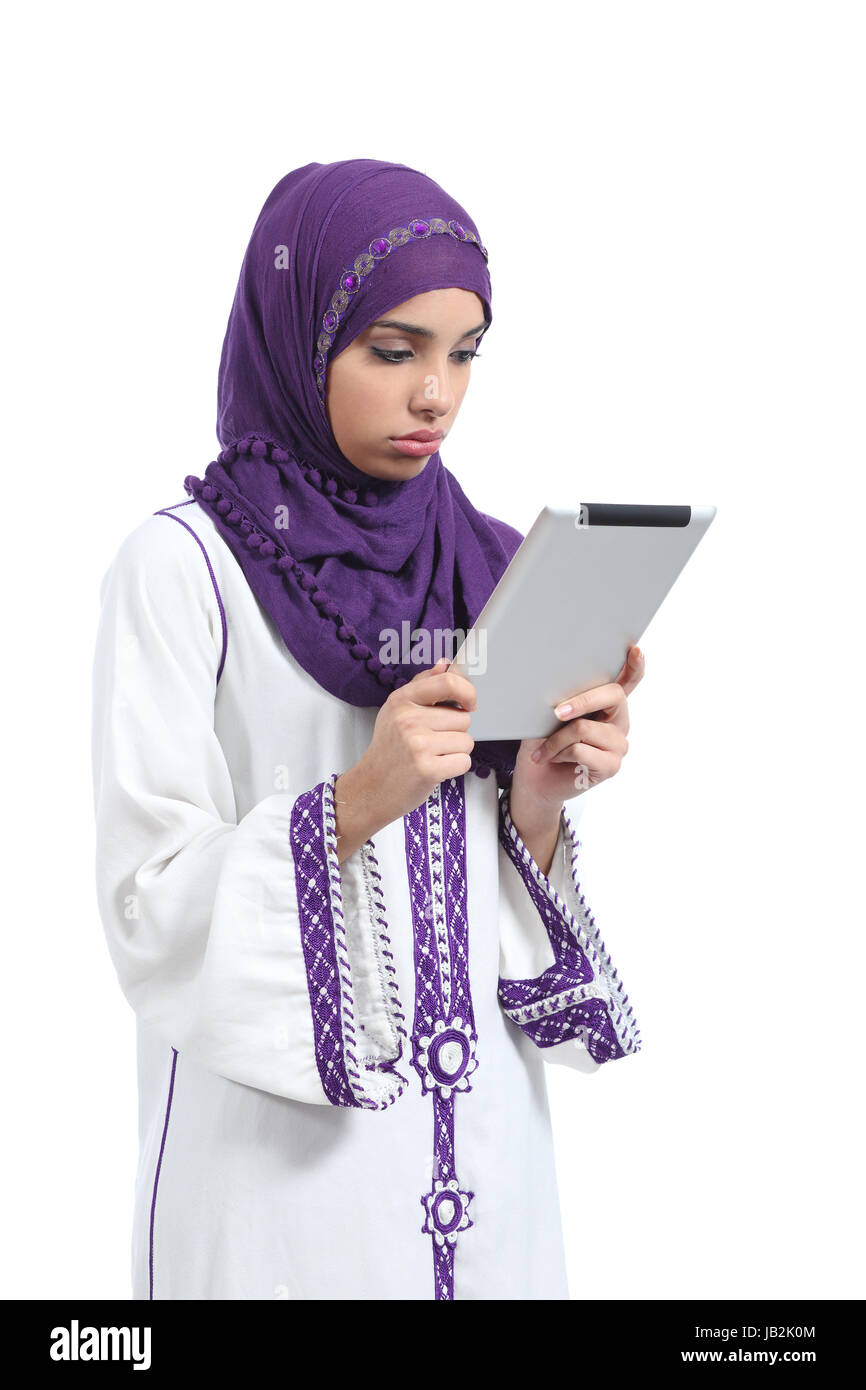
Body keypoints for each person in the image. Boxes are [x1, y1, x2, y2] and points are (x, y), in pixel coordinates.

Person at [90, 158, 645, 1302]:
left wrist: (538, 797)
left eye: (463, 352)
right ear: (301, 341)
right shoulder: (183, 567)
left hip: (490, 1178)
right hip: (278, 1195)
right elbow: (146, 899)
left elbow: (486, 918)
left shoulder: (487, 562)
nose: (436, 394)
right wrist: (355, 801)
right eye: (393, 350)